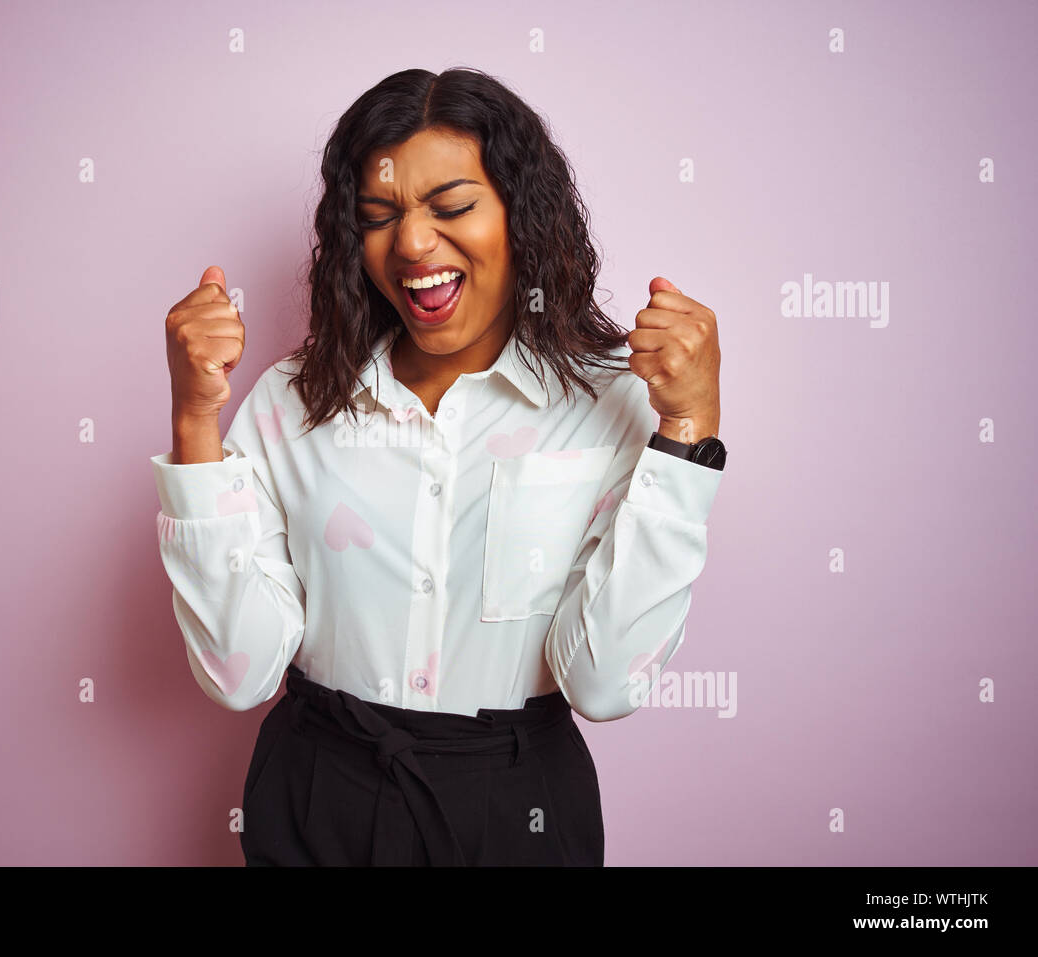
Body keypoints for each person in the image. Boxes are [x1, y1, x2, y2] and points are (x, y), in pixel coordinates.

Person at [151, 67, 727, 866]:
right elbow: (239, 674)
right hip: (316, 796)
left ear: (523, 218)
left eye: (452, 207)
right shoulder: (293, 400)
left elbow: (605, 685)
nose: (414, 244)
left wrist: (687, 431)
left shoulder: (615, 404)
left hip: (517, 809)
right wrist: (193, 420)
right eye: (380, 216)